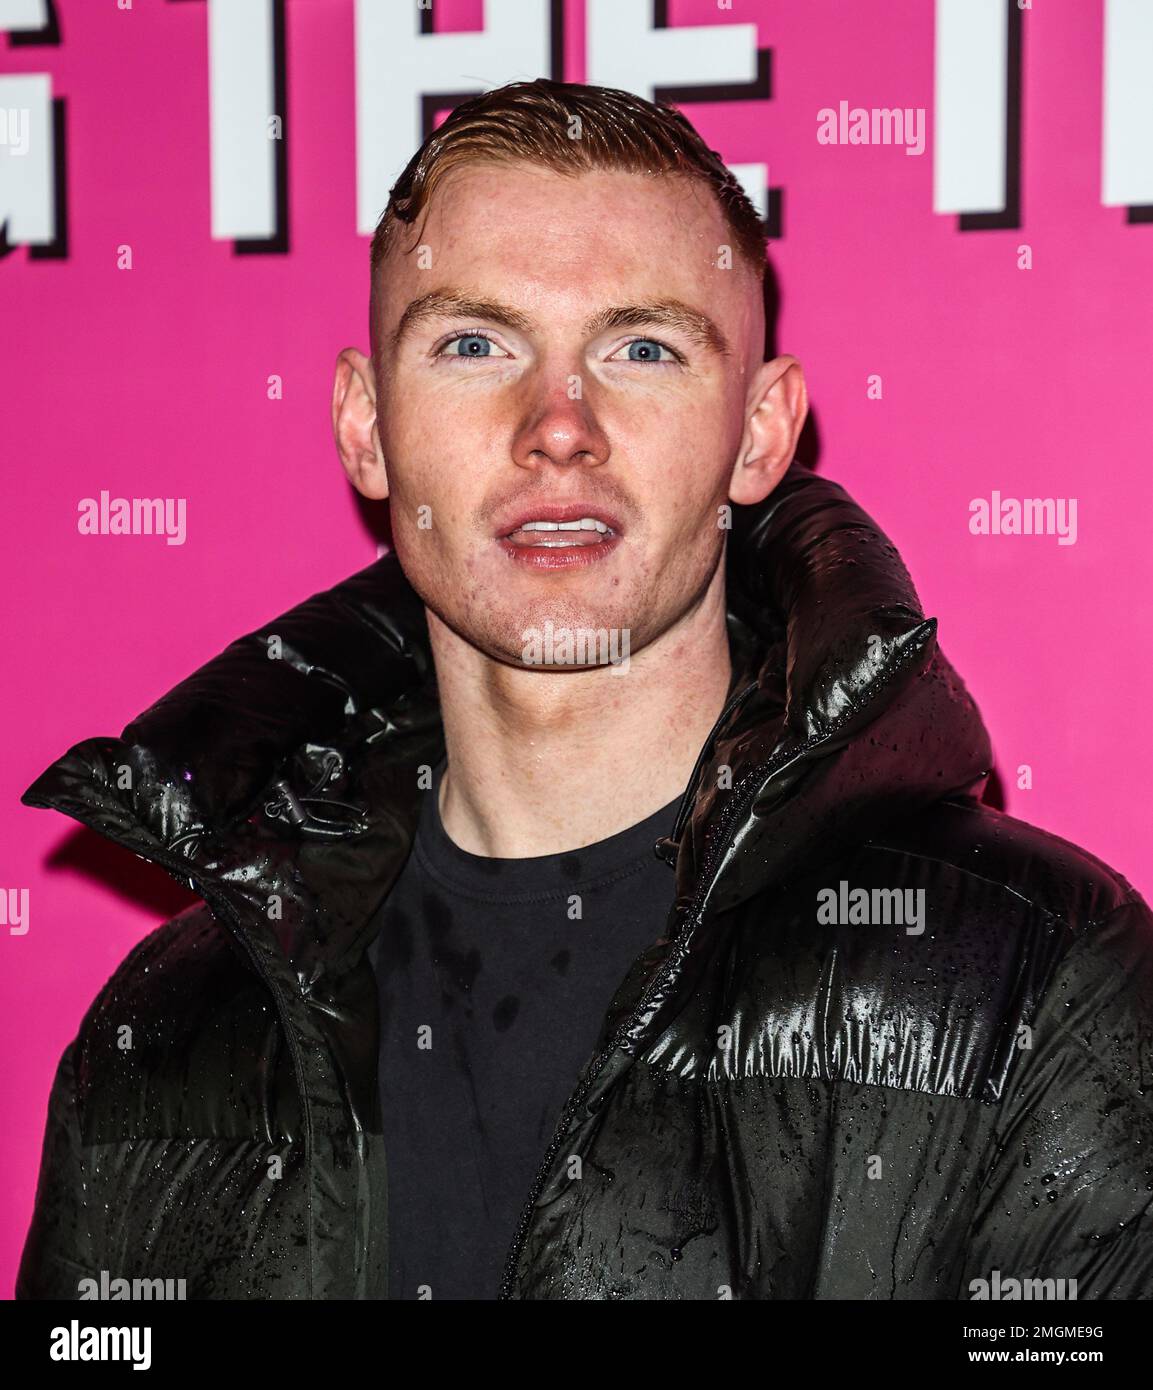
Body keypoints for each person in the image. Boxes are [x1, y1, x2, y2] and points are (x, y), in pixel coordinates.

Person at [18, 79, 1153, 1301]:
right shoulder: (169, 1030)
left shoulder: (1033, 979)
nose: (558, 427)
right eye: (473, 343)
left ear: (760, 431)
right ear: (366, 425)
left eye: (642, 347)